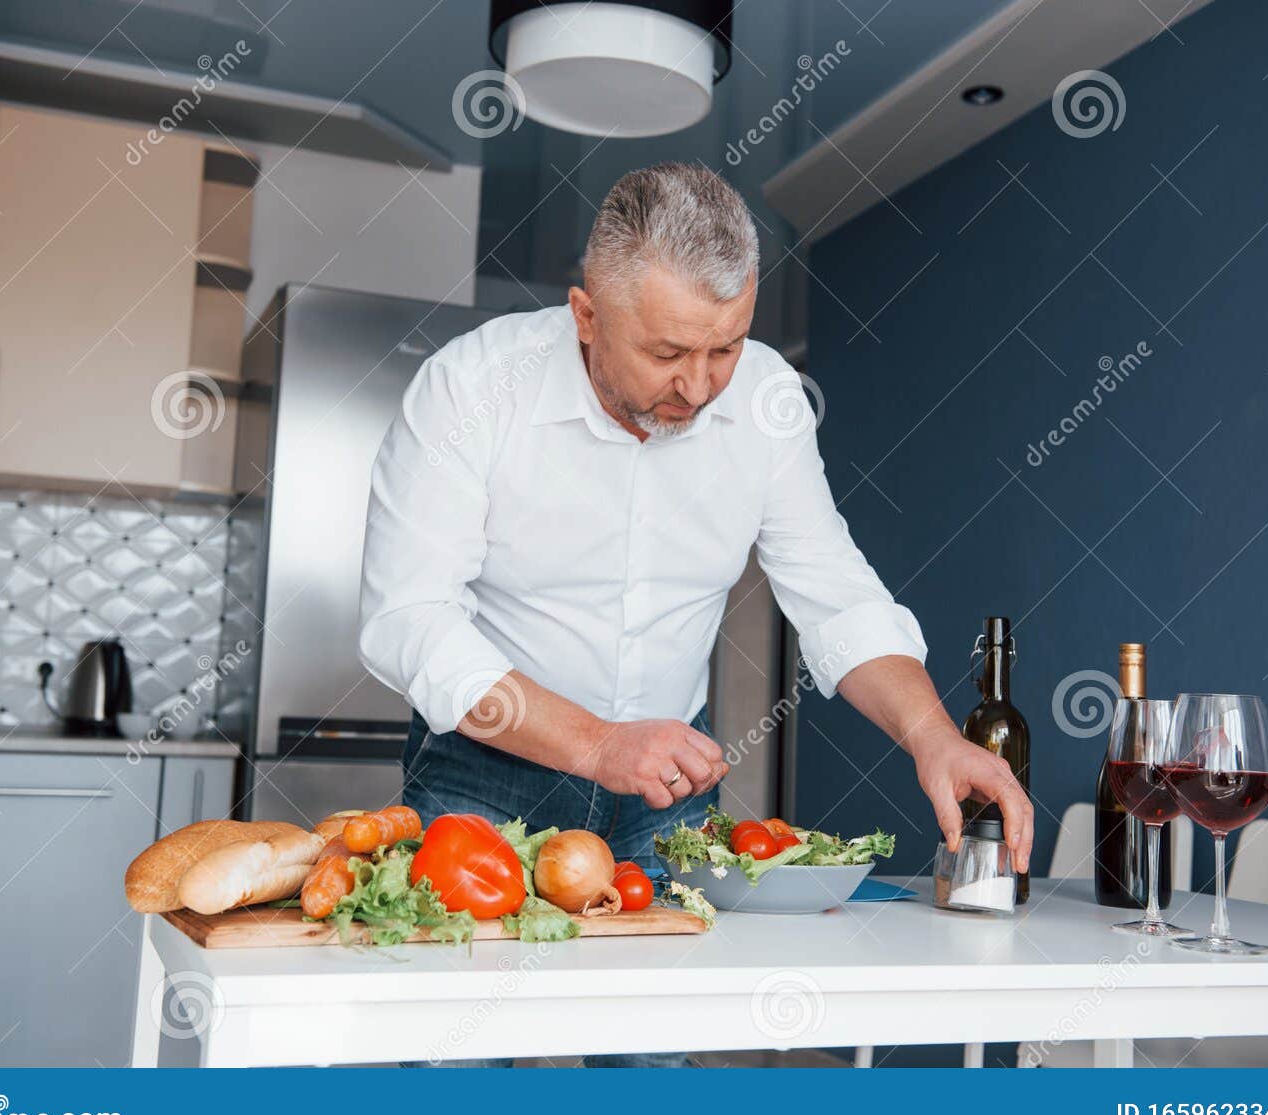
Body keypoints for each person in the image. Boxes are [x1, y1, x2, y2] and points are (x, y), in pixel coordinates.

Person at [358, 162, 1032, 1067]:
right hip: (485, 780)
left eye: (726, 347)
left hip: (666, 794)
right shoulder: (471, 390)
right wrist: (596, 743)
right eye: (669, 354)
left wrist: (932, 735)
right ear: (587, 315)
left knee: (656, 1065)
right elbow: (409, 621)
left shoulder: (764, 400)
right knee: (455, 1062)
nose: (702, 385)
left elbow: (833, 592)